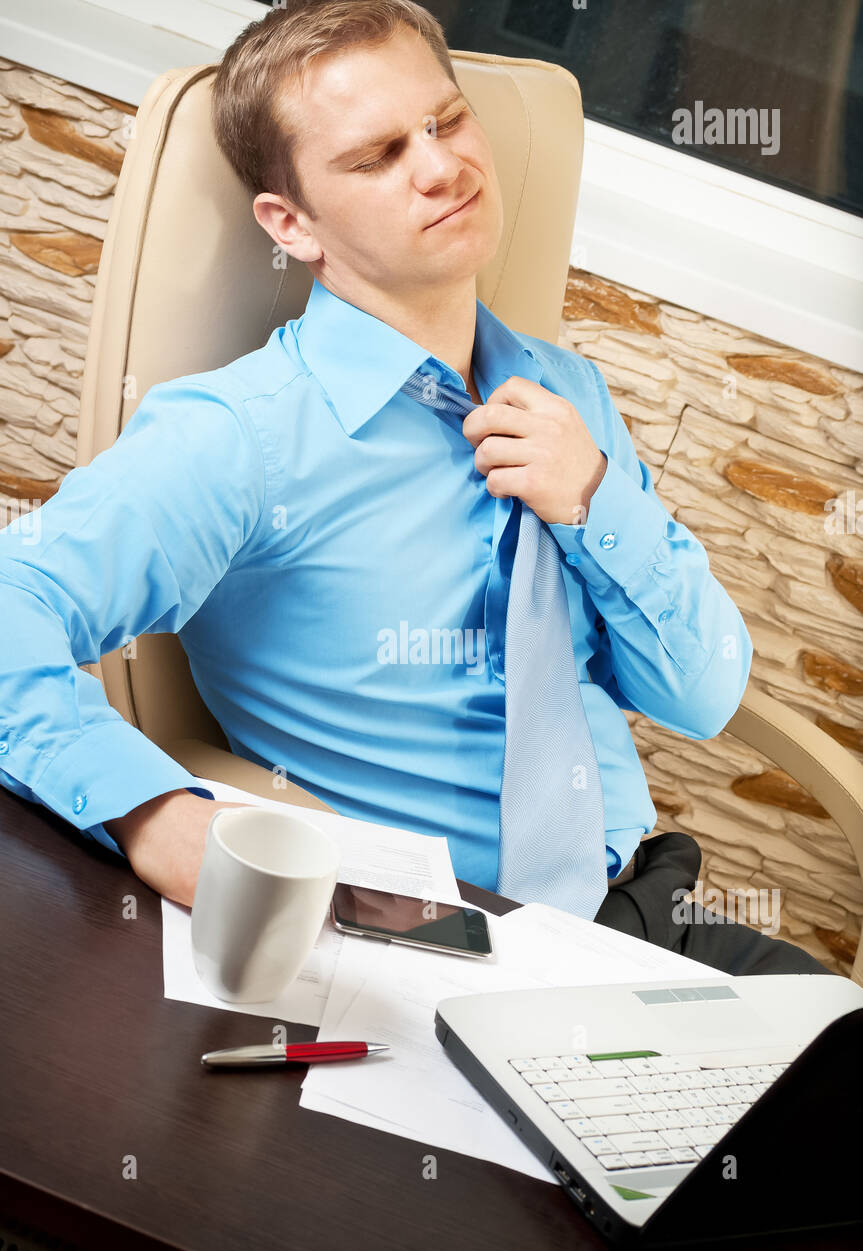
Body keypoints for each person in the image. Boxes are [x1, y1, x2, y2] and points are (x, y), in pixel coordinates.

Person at [0, 0, 830, 976]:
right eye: (377, 155)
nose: (439, 166)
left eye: (444, 120)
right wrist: (150, 813)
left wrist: (599, 500)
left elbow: (698, 697)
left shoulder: (567, 395)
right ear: (290, 224)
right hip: (443, 951)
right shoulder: (243, 436)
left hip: (644, 916)